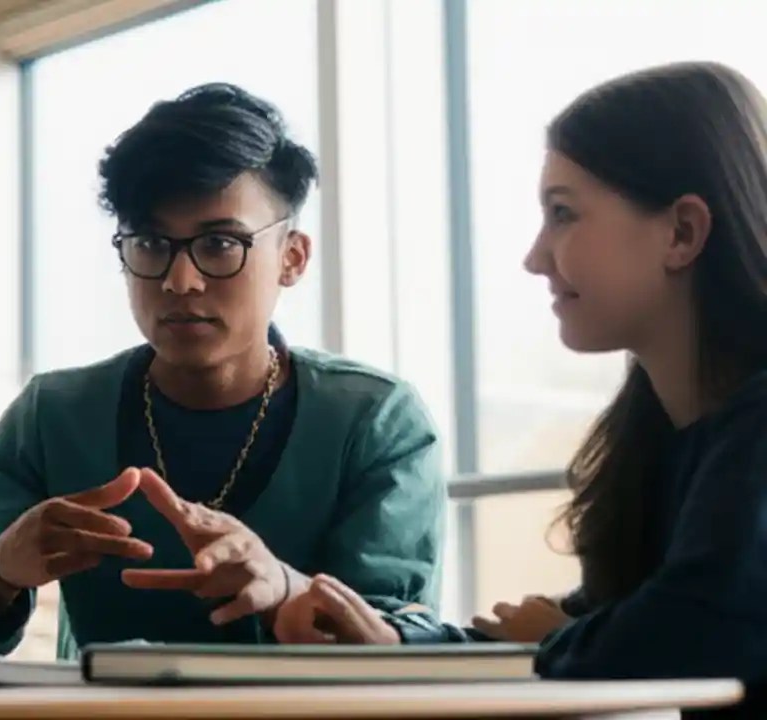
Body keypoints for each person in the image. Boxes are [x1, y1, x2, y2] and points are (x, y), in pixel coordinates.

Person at [0, 82, 447, 659]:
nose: (179, 281)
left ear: (291, 258)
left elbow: (397, 648)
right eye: (150, 243)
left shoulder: (374, 418)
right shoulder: (53, 416)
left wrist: (286, 589)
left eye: (220, 244)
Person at [273, 61, 767, 690]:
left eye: (563, 213)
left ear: (683, 232)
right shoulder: (661, 440)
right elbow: (599, 623)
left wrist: (553, 640)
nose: (535, 258)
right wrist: (394, 642)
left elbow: (696, 628)